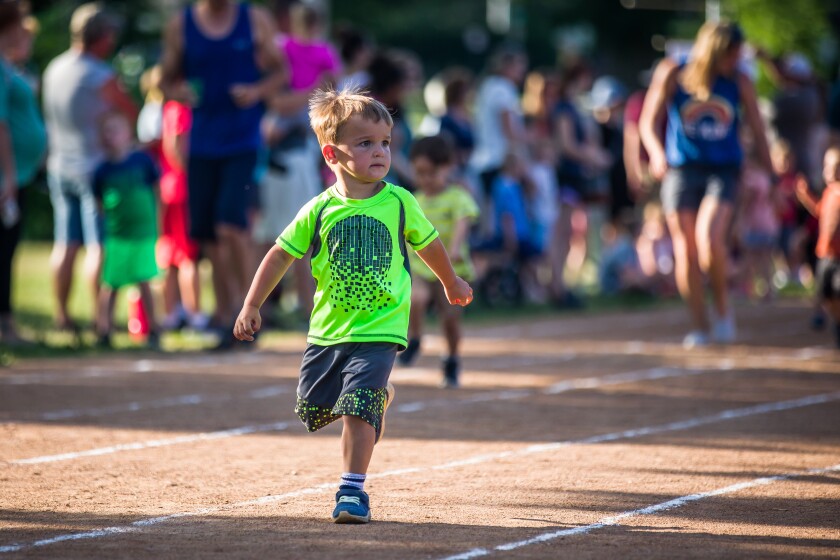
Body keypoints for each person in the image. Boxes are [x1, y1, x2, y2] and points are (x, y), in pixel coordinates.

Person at [233, 88, 473, 523]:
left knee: (358, 408)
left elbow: (430, 244)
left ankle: (351, 491)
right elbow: (280, 255)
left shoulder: (400, 201)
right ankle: (379, 397)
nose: (380, 151)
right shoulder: (320, 208)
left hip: (381, 328)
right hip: (328, 330)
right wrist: (252, 304)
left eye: (384, 142)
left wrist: (450, 280)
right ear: (331, 155)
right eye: (365, 143)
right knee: (313, 408)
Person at [640, 21, 772, 348]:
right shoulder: (673, 72)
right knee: (685, 248)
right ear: (716, 51)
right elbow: (647, 121)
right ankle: (700, 325)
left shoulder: (738, 81)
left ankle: (723, 310)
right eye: (732, 54)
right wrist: (656, 154)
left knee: (710, 239)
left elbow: (757, 129)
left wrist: (773, 176)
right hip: (682, 169)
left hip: (723, 170)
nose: (737, 60)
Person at [160, 0, 284, 346]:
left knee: (232, 224)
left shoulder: (254, 20)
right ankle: (227, 314)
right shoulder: (180, 25)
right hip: (200, 144)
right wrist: (178, 92)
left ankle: (250, 311)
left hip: (242, 141)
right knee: (210, 235)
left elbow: (280, 73)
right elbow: (165, 80)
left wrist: (256, 91)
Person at [42, 2, 138, 335]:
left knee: (65, 244)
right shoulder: (99, 74)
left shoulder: (54, 67)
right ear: (102, 36)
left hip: (58, 166)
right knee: (99, 245)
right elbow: (130, 112)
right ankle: (102, 322)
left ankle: (62, 317)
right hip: (95, 169)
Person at [399, 135, 479, 388]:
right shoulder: (416, 200)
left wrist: (455, 248)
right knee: (416, 298)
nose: (425, 180)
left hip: (452, 270)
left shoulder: (457, 197)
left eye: (431, 173)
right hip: (422, 266)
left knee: (450, 320)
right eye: (419, 174)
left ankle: (452, 358)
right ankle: (415, 338)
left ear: (447, 167)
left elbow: (464, 220)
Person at [92, 112, 160, 349]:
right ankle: (104, 329)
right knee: (111, 283)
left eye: (116, 130)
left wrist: (157, 223)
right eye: (107, 132)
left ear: (128, 134)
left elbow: (156, 191)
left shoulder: (142, 161)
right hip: (117, 236)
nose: (111, 136)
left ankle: (154, 330)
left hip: (143, 233)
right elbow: (99, 204)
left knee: (145, 281)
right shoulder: (101, 171)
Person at [0, 1, 46, 344]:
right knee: (4, 249)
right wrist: (9, 176)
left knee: (8, 248)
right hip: (7, 178)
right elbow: (0, 125)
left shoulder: (8, 67)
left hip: (18, 175)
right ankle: (6, 323)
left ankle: (6, 320)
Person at [795, 146, 840, 348]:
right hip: (825, 254)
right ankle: (834, 319)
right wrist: (805, 196)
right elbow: (819, 211)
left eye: (836, 167)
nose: (831, 171)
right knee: (825, 293)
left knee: (838, 291)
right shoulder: (829, 193)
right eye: (828, 167)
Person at [469, 44, 528, 195]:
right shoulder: (503, 88)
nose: (522, 70)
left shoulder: (489, 85)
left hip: (485, 160)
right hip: (499, 160)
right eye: (519, 65)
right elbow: (509, 130)